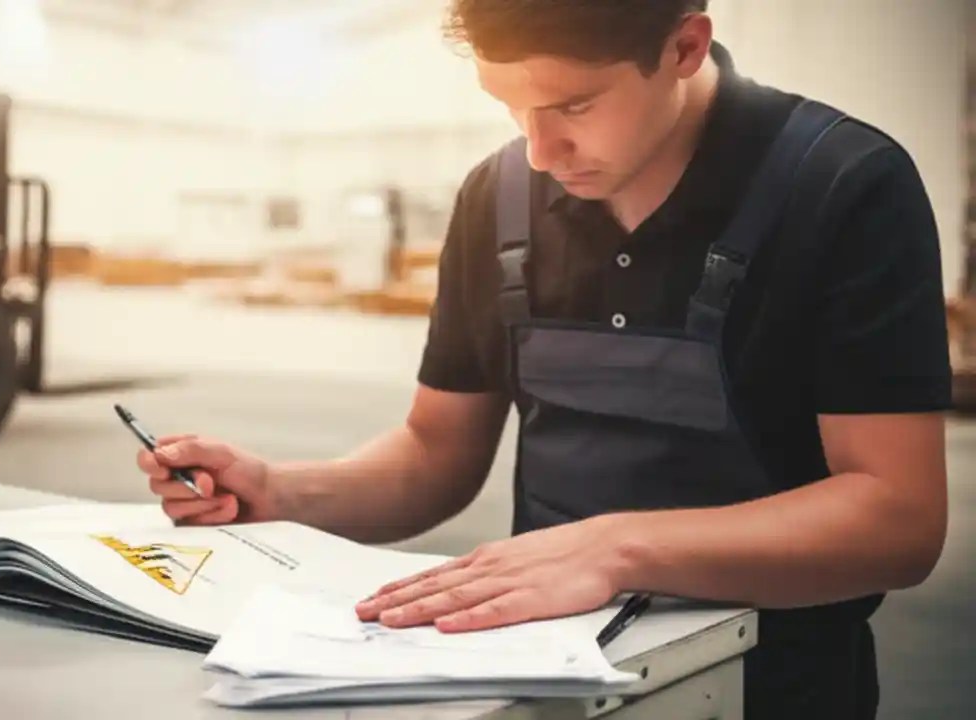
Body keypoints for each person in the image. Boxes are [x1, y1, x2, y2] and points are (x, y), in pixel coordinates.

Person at [138, 1, 952, 717]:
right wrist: (282, 491)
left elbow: (897, 519)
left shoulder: (842, 187)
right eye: (510, 107)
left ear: (685, 49)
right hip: (537, 683)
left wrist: (616, 549)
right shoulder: (498, 196)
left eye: (574, 104)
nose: (539, 150)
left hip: (772, 685)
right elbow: (434, 453)